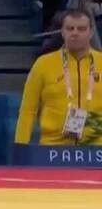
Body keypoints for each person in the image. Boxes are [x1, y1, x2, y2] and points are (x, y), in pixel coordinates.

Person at [16, 9, 102, 145]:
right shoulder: (43, 63)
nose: (75, 33)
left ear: (91, 32)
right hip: (52, 149)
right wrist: (20, 146)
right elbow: (28, 110)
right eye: (70, 28)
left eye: (81, 29)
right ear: (62, 32)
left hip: (96, 149)